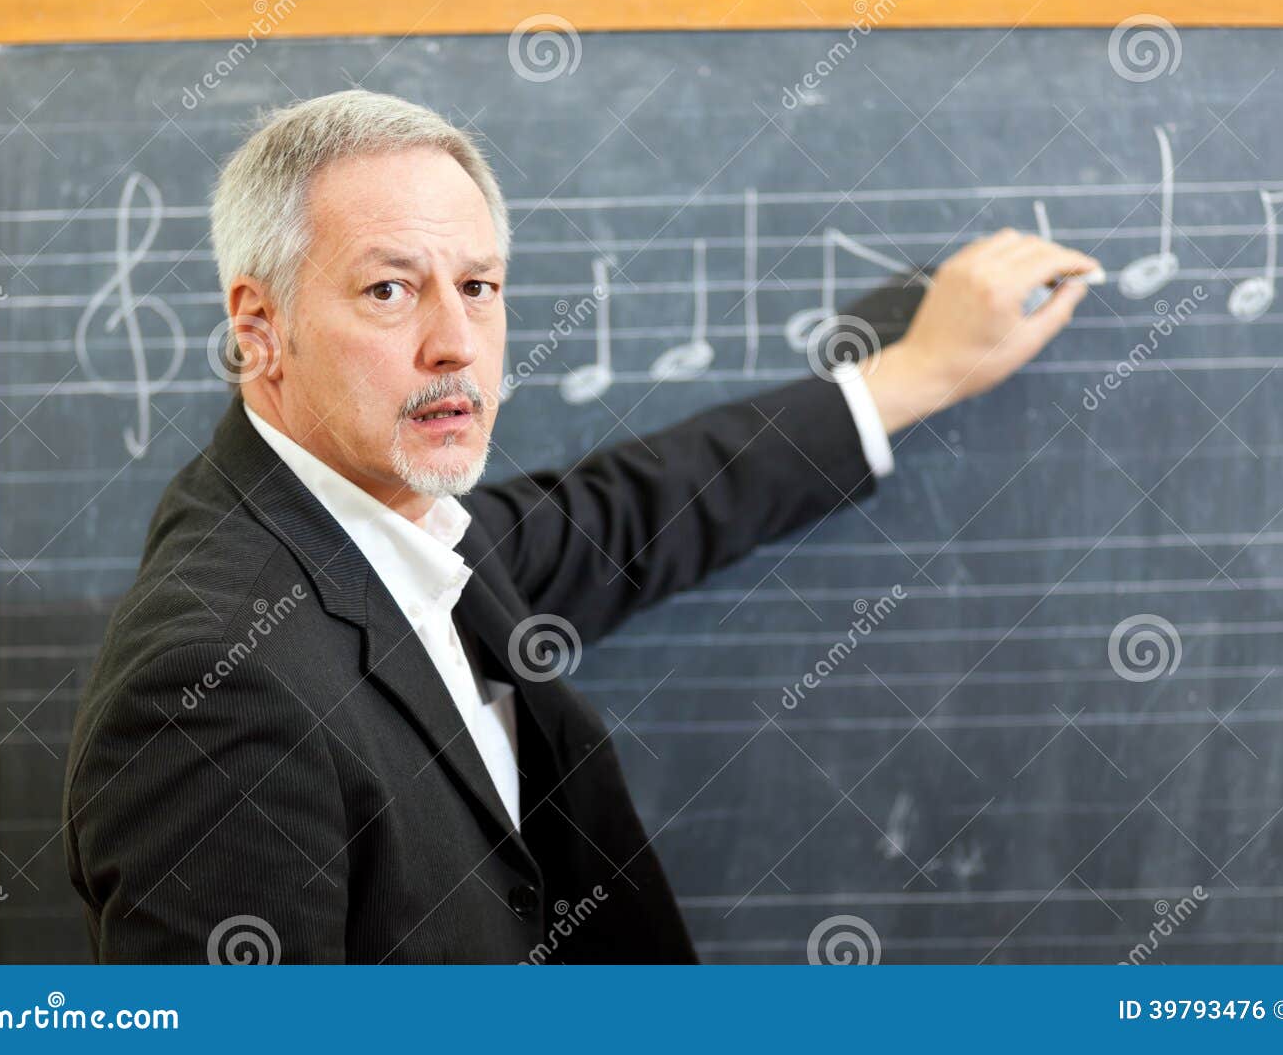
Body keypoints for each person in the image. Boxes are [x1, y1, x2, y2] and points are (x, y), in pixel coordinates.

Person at [62, 89, 1098, 963]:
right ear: (259, 330)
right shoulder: (216, 688)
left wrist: (916, 375)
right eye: (389, 290)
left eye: (478, 286)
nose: (455, 342)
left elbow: (634, 505)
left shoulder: (391, 531)